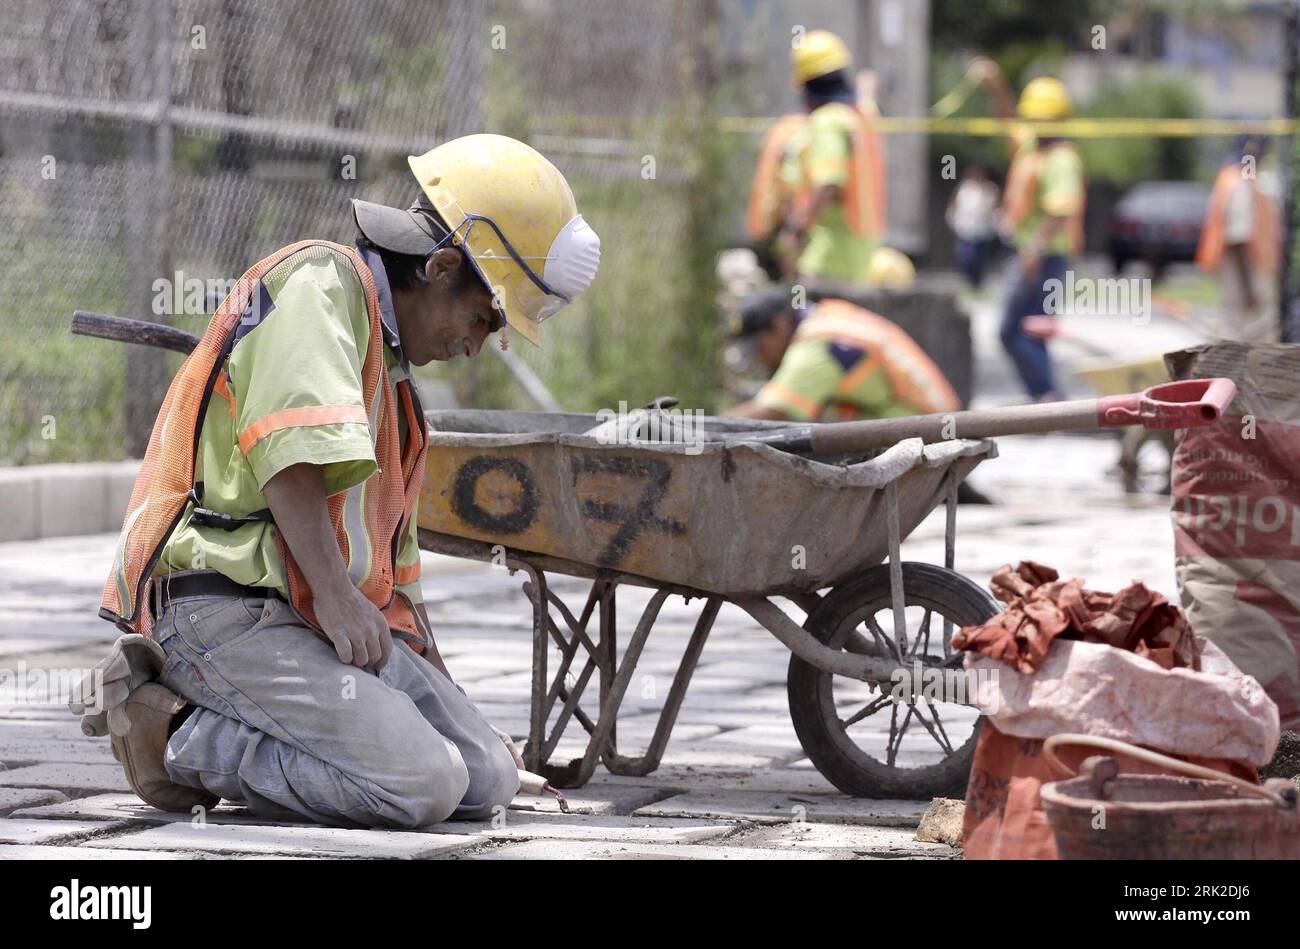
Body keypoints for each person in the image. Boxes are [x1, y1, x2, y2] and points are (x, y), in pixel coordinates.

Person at [78, 134, 601, 828]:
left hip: (312, 619)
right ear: (441, 267)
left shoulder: (399, 391)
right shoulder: (320, 284)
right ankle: (171, 728)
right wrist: (332, 593)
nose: (475, 345)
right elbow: (288, 454)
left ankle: (411, 751)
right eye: (482, 318)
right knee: (424, 784)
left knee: (486, 775)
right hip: (227, 610)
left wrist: (451, 704)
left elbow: (397, 581)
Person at [745, 29, 886, 283]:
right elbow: (867, 96)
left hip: (826, 259)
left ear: (805, 85)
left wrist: (794, 230)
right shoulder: (857, 116)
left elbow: (828, 183)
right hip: (858, 255)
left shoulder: (827, 122)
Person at [726, 287, 958, 422]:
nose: (759, 358)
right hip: (932, 419)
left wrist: (706, 429)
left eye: (759, 348)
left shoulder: (816, 346)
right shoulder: (826, 316)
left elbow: (772, 411)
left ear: (777, 325)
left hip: (923, 427)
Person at [994, 76, 1085, 400]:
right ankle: (1045, 399)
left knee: (1016, 330)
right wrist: (997, 86)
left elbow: (1060, 211)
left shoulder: (1061, 159)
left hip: (1047, 257)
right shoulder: (1033, 148)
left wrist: (1033, 251)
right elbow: (1008, 125)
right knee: (1031, 330)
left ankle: (1047, 396)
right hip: (1034, 254)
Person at [1196, 135, 1281, 342]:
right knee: (1242, 332)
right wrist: (1248, 290)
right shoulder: (1239, 183)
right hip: (1243, 275)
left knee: (1242, 329)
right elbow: (1238, 239)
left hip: (1245, 272)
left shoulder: (1237, 178)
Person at [947, 164, 1000, 288]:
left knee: (977, 259)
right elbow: (954, 205)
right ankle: (967, 282)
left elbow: (994, 208)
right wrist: (952, 220)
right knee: (963, 256)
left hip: (982, 231)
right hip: (964, 229)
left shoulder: (990, 189)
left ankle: (977, 283)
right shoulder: (964, 188)